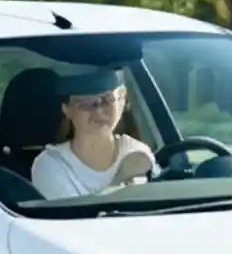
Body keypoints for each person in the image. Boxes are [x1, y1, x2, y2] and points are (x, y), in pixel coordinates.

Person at [30, 68, 156, 200]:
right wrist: (121, 179)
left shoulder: (138, 153)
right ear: (67, 110)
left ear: (122, 100)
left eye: (107, 100)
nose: (99, 112)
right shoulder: (51, 165)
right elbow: (77, 218)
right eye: (84, 104)